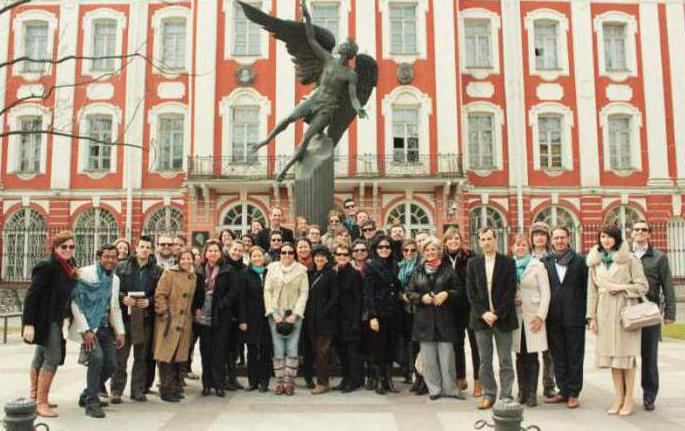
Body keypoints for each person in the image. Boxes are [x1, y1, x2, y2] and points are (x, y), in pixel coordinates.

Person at [587, 225, 648, 416]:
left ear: (617, 239)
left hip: (624, 311)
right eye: (603, 236)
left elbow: (642, 286)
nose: (605, 240)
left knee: (626, 359)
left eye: (610, 237)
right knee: (613, 360)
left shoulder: (629, 259)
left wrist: (621, 287)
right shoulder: (595, 262)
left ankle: (629, 398)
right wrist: (591, 317)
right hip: (604, 313)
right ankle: (618, 397)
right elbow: (592, 292)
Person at [23, 231, 78, 417]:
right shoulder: (47, 266)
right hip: (44, 319)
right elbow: (32, 296)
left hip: (55, 317)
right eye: (64, 246)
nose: (68, 250)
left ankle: (33, 396)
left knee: (40, 355)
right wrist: (28, 324)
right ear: (55, 247)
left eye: (71, 246)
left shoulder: (67, 266)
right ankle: (41, 402)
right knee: (53, 357)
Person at [69, 244, 126, 418]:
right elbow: (76, 302)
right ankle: (92, 403)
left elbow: (114, 306)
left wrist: (120, 331)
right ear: (99, 257)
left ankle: (87, 393)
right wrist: (85, 330)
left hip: (104, 327)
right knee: (97, 359)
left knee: (111, 364)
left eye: (113, 257)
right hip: (88, 327)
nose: (110, 260)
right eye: (106, 257)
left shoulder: (115, 279)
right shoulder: (85, 273)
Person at [407, 238, 465, 401]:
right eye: (427, 250)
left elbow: (459, 291)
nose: (430, 253)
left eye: (433, 250)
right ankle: (434, 388)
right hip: (424, 320)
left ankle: (451, 389)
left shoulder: (448, 270)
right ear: (423, 253)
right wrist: (421, 297)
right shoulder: (417, 271)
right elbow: (409, 293)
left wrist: (447, 294)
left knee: (447, 355)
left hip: (444, 318)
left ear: (439, 251)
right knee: (428, 357)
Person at [466, 227, 517, 410]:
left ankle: (506, 395)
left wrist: (497, 313)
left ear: (495, 240)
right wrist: (483, 313)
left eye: (489, 238)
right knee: (484, 359)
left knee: (505, 359)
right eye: (483, 239)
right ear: (478, 242)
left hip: (502, 318)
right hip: (481, 320)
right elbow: (471, 292)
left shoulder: (508, 262)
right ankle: (489, 392)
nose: (486, 242)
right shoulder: (473, 263)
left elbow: (510, 291)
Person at [111, 236, 163, 404]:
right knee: (121, 357)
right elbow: (112, 291)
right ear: (136, 247)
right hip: (125, 319)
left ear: (151, 250)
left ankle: (138, 390)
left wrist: (150, 301)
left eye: (148, 247)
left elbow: (161, 295)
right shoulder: (121, 267)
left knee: (141, 358)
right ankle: (116, 390)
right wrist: (122, 298)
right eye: (142, 246)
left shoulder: (157, 271)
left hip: (145, 320)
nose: (145, 249)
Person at [630, 220, 677, 411]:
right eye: (637, 229)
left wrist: (670, 312)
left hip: (650, 310)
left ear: (649, 234)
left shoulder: (659, 257)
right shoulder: (625, 255)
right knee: (626, 356)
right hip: (629, 310)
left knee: (649, 356)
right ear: (631, 233)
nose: (640, 232)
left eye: (644, 230)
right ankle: (625, 396)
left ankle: (649, 395)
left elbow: (668, 286)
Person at [542, 226, 588, 409]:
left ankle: (574, 393)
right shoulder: (546, 261)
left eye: (562, 237)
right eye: (556, 238)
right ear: (551, 241)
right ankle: (563, 390)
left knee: (575, 355)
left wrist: (587, 314)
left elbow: (586, 289)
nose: (559, 241)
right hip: (553, 317)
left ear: (569, 238)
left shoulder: (579, 261)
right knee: (558, 355)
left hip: (574, 317)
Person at [153, 248, 204, 402]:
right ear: (178, 260)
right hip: (169, 319)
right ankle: (165, 388)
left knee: (179, 356)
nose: (186, 262)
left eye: (189, 259)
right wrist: (163, 311)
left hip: (184, 320)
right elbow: (160, 293)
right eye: (183, 259)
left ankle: (175, 386)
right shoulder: (169, 274)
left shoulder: (193, 276)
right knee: (166, 355)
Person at [264, 242, 309, 396]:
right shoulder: (272, 269)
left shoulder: (302, 271)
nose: (287, 255)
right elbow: (267, 291)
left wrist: (295, 314)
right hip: (275, 314)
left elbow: (304, 293)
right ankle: (280, 382)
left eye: (290, 252)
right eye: (284, 252)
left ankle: (290, 382)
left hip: (294, 314)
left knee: (292, 349)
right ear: (280, 254)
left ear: (294, 254)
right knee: (278, 349)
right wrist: (272, 313)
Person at [511, 234, 550, 408]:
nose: (520, 248)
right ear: (512, 247)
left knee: (533, 356)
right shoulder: (509, 265)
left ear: (528, 247)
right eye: (517, 245)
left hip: (534, 316)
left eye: (523, 245)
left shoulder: (538, 266)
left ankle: (533, 393)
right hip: (517, 317)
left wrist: (541, 316)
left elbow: (546, 293)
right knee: (519, 355)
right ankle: (522, 391)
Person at [443, 227, 481, 397]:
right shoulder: (442, 259)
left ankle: (479, 381)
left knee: (475, 345)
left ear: (461, 241)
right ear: (445, 242)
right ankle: (460, 377)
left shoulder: (471, 257)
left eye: (456, 238)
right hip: (452, 309)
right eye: (450, 239)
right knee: (457, 344)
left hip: (471, 307)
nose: (454, 241)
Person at [364, 235, 401, 395]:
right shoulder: (370, 266)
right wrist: (372, 316)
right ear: (375, 249)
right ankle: (379, 379)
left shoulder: (395, 265)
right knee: (378, 347)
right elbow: (368, 293)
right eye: (381, 247)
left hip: (393, 312)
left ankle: (388, 378)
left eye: (387, 247)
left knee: (391, 346)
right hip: (378, 312)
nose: (384, 250)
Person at [529, 222, 558, 400]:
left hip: (550, 307)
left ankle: (549, 385)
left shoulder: (554, 257)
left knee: (549, 351)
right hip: (531, 309)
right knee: (531, 350)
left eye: (542, 234)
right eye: (536, 234)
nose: (539, 237)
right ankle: (530, 387)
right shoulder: (525, 257)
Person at [305, 245, 338, 394]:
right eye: (317, 256)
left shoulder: (331, 274)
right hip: (311, 318)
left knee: (322, 352)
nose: (319, 259)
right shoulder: (310, 273)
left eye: (322, 256)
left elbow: (335, 297)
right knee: (315, 351)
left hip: (325, 319)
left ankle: (323, 383)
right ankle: (320, 380)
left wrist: (325, 312)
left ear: (327, 258)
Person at [196, 240, 226, 397]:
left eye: (216, 250)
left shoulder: (226, 270)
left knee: (219, 352)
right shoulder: (199, 270)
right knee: (205, 351)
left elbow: (232, 292)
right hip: (203, 315)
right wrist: (196, 308)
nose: (213, 253)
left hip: (220, 315)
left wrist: (221, 304)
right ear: (205, 253)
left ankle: (219, 384)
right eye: (210, 251)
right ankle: (206, 384)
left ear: (220, 253)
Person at [333, 243, 364, 392]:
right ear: (335, 256)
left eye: (345, 255)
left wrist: (356, 321)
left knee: (352, 353)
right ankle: (345, 378)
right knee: (342, 352)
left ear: (349, 256)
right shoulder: (334, 273)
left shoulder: (355, 274)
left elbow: (359, 299)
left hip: (351, 319)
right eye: (339, 255)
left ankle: (354, 380)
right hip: (337, 320)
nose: (342, 257)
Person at [243, 247, 272, 393]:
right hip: (251, 318)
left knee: (266, 350)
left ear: (264, 257)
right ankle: (253, 381)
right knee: (252, 350)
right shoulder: (245, 274)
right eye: (254, 256)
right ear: (250, 258)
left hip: (267, 317)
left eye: (259, 255)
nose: (257, 258)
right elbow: (241, 298)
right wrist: (243, 320)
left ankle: (264, 381)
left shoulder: (269, 273)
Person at [221, 241, 248, 391]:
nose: (237, 252)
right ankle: (223, 378)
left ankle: (232, 377)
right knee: (223, 348)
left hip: (238, 313)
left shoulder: (243, 269)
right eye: (235, 249)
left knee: (234, 349)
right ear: (229, 250)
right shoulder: (223, 266)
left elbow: (242, 295)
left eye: (240, 250)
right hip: (225, 312)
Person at [398, 239, 419, 386]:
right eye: (406, 250)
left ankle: (417, 372)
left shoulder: (420, 265)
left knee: (415, 341)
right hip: (402, 308)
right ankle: (407, 371)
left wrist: (410, 296)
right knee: (405, 341)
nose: (409, 253)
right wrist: (401, 295)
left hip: (416, 308)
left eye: (412, 250)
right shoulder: (400, 265)